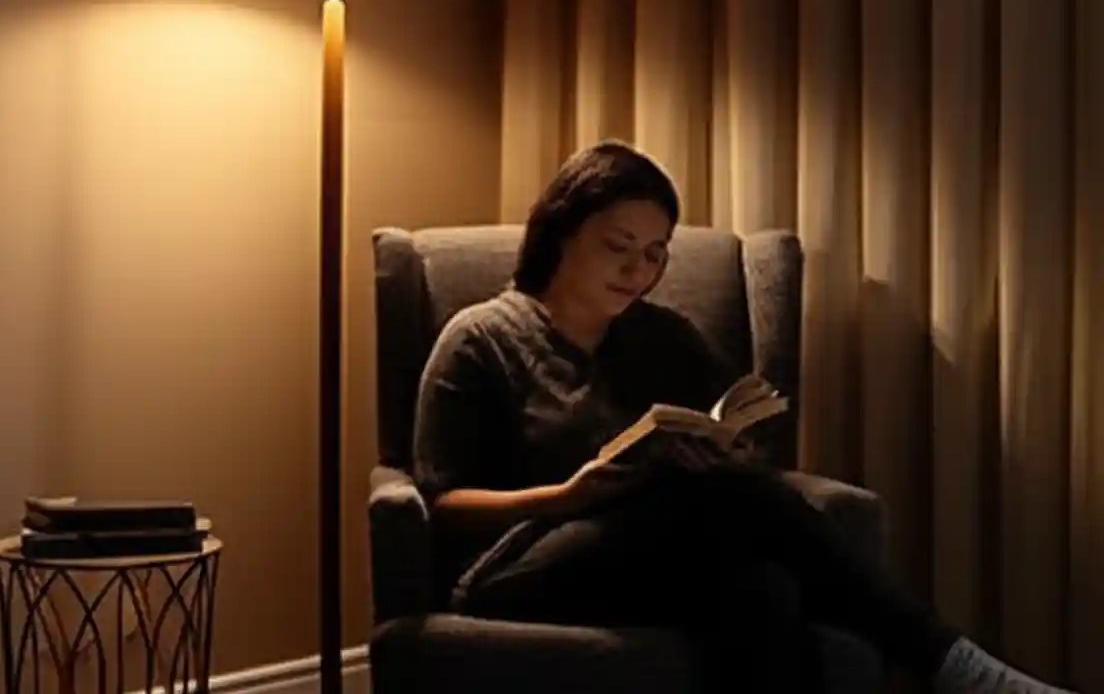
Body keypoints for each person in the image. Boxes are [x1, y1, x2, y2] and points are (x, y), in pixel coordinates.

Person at [411, 140, 1077, 693]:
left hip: (666, 551)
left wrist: (727, 451)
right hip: (518, 564)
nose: (638, 269)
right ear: (561, 233)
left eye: (655, 252)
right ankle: (955, 667)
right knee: (723, 522)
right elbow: (443, 504)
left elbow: (743, 430)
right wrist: (565, 496)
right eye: (619, 245)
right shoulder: (482, 339)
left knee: (756, 585)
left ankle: (953, 670)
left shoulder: (661, 336)